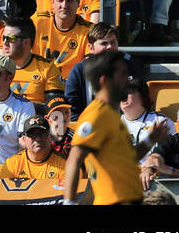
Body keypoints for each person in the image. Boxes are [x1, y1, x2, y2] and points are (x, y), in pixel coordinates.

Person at [63, 48, 146, 205]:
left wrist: (151, 140)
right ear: (105, 81)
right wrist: (69, 203)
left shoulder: (112, 114)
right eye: (122, 74)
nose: (128, 80)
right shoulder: (96, 115)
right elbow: (74, 158)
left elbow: (129, 158)